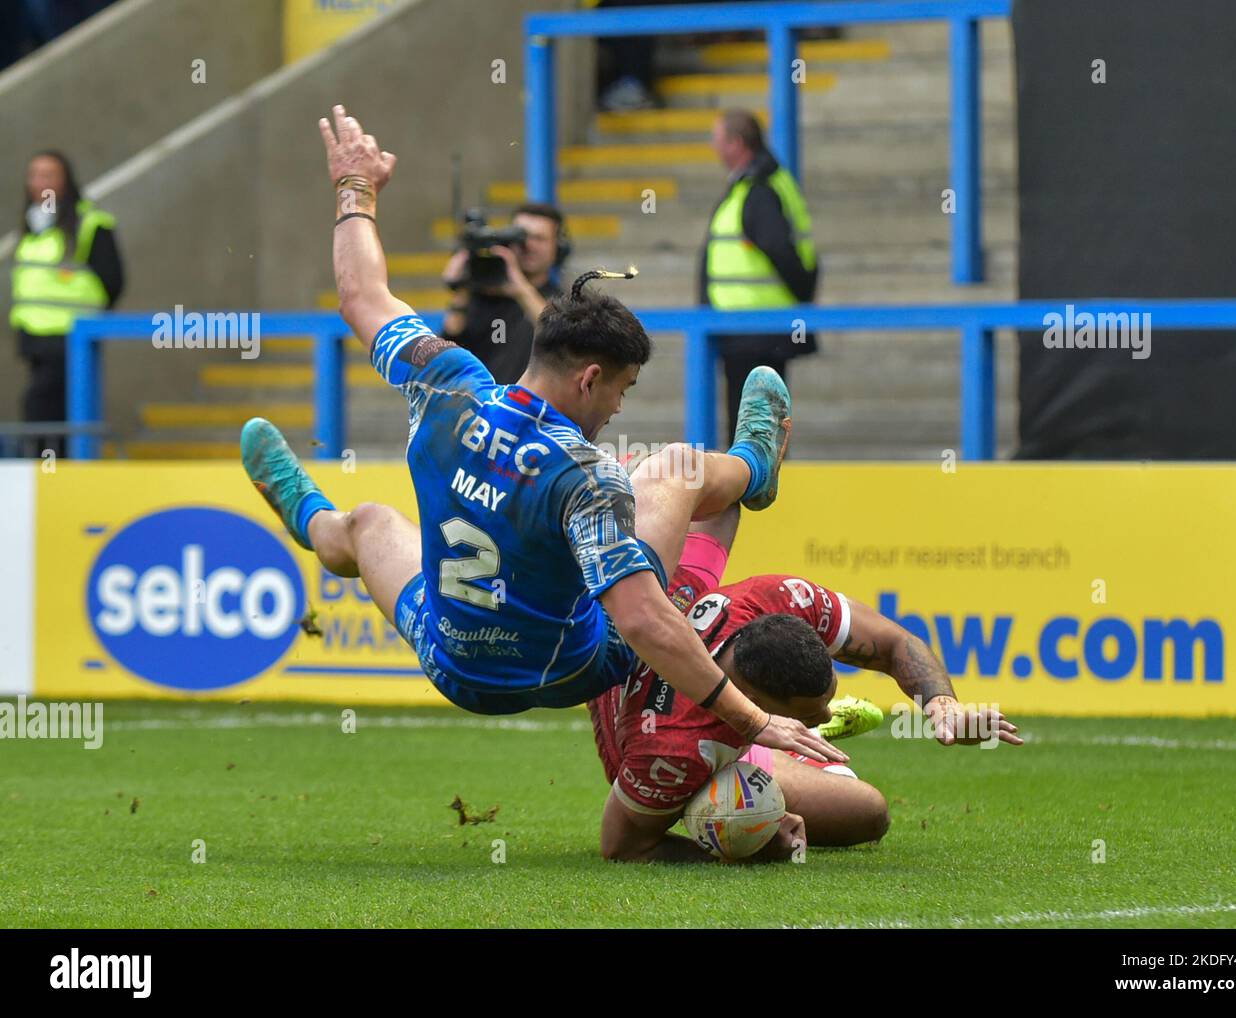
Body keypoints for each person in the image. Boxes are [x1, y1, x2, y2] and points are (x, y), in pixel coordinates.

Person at [240, 105, 843, 766]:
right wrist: (752, 721)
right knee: (672, 469)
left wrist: (355, 189)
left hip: (450, 662)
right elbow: (641, 622)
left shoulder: (446, 382)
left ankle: (308, 516)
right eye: (622, 388)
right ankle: (753, 467)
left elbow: (360, 295)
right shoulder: (586, 475)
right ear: (590, 378)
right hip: (570, 670)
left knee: (369, 525)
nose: (616, 408)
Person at [589, 507, 1023, 863]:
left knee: (867, 815)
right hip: (670, 743)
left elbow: (895, 642)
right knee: (852, 815)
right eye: (809, 713)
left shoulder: (776, 600)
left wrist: (942, 706)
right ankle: (779, 753)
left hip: (729, 725)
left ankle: (796, 741)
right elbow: (623, 846)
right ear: (756, 704)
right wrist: (751, 849)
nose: (827, 711)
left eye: (826, 703)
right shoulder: (673, 751)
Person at [702, 109, 819, 443]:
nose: (713, 146)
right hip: (749, 328)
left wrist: (801, 299)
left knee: (755, 436)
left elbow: (782, 252)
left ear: (736, 144)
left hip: (755, 330)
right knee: (756, 433)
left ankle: (754, 493)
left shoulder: (759, 190)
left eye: (718, 139)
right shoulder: (757, 183)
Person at [10, 150, 124, 456]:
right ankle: (48, 479)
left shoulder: (90, 222)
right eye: (35, 174)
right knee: (45, 414)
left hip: (71, 338)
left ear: (66, 180)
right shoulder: (34, 227)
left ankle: (53, 479)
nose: (40, 182)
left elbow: (112, 280)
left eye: (49, 175)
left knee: (49, 413)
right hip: (35, 338)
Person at [439, 203, 567, 384]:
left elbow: (564, 337)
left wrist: (520, 288)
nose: (528, 245)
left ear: (559, 248)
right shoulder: (483, 293)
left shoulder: (568, 301)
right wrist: (462, 288)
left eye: (539, 238)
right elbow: (445, 357)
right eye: (521, 237)